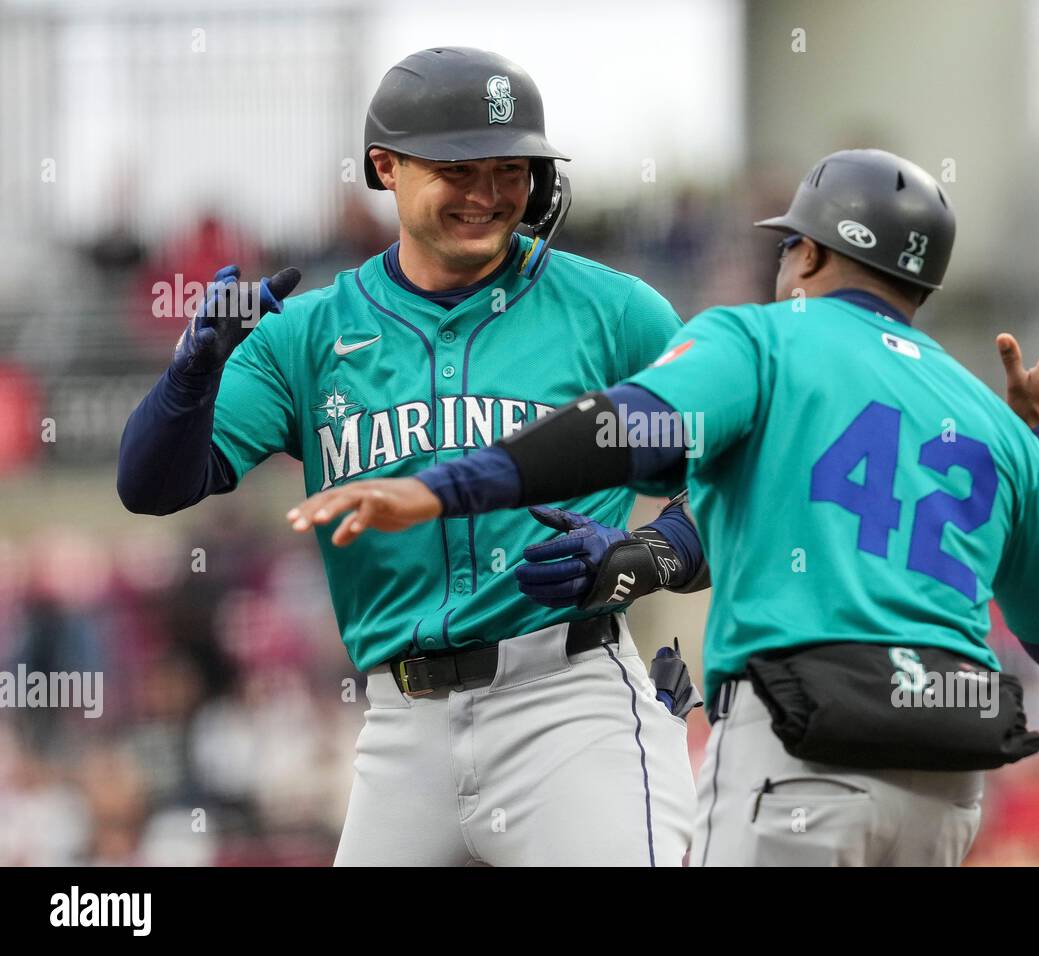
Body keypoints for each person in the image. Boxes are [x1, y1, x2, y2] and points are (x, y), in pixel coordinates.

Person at [284, 148, 1039, 867]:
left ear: (807, 252)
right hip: (947, 780)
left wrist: (441, 486)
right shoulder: (987, 417)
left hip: (801, 745)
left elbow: (622, 429)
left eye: (789, 245)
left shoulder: (762, 339)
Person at [118, 47, 705, 867]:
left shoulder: (617, 313)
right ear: (384, 167)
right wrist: (189, 377)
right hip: (401, 722)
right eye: (459, 169)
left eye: (513, 169)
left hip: (568, 701)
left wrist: (649, 556)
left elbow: (742, 489)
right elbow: (149, 487)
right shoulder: (307, 334)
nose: (490, 194)